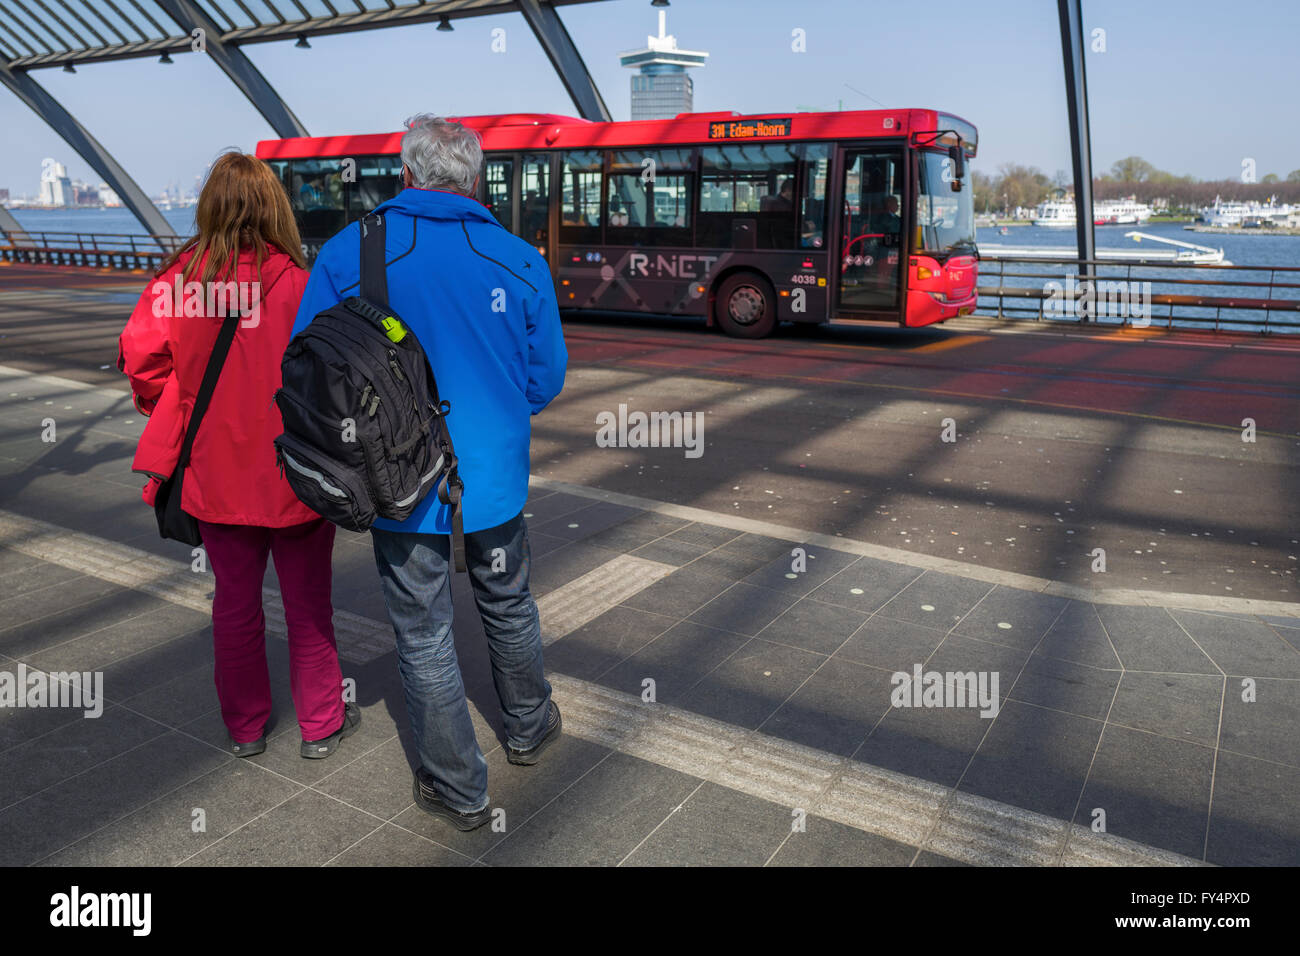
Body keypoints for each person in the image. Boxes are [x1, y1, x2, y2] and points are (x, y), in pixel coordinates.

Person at [292, 114, 568, 831]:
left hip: (399, 484)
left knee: (423, 633)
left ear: (406, 177)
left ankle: (457, 786)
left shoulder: (352, 251)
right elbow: (545, 379)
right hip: (494, 481)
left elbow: (310, 364)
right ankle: (530, 727)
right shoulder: (519, 257)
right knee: (508, 602)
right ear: (474, 180)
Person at [118, 153, 358, 760]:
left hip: (215, 472)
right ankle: (321, 725)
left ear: (209, 208)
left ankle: (247, 728)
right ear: (275, 207)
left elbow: (141, 360)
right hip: (297, 474)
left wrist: (177, 399)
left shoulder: (177, 283)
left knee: (234, 604)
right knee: (308, 606)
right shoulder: (303, 285)